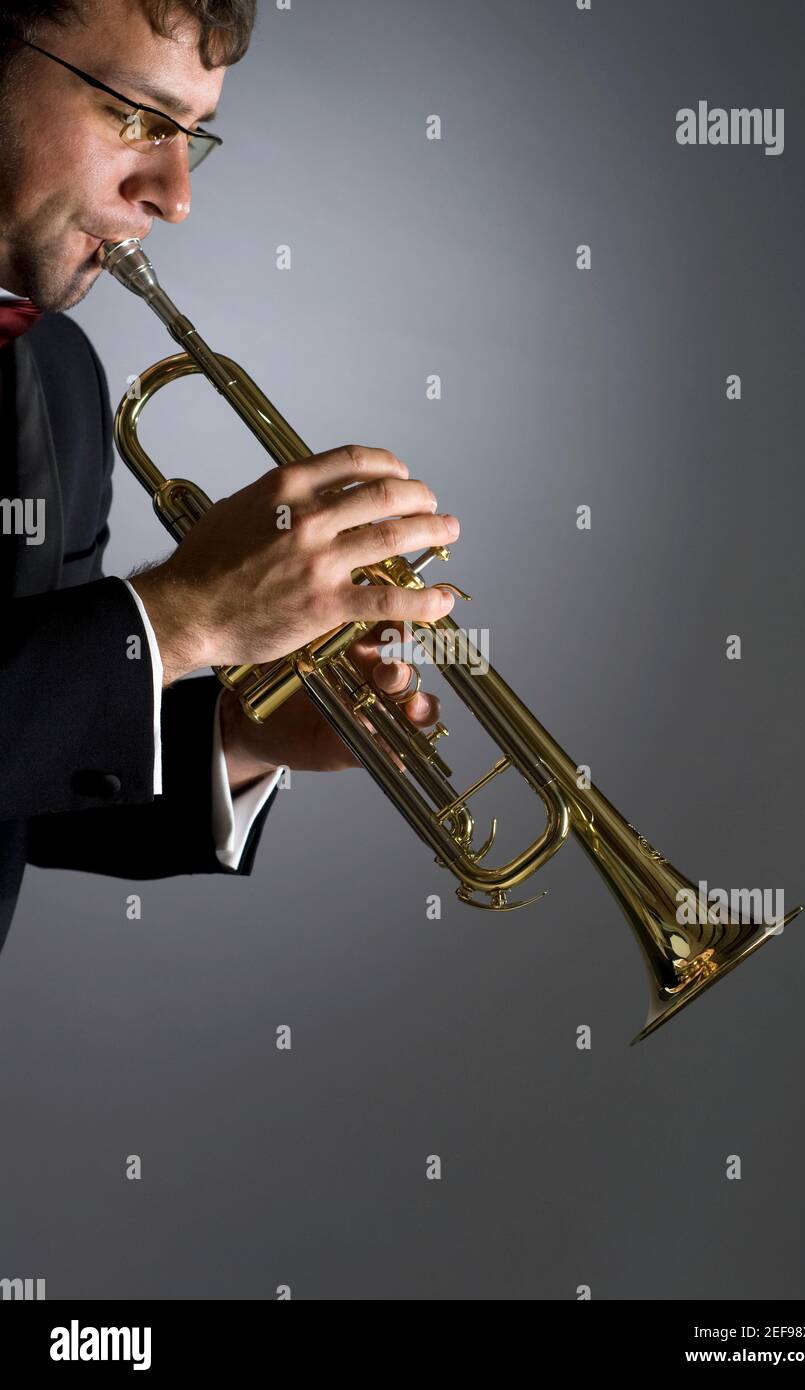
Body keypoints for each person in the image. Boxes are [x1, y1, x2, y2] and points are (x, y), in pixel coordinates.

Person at [0, 0, 460, 954]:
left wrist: (244, 738)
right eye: (138, 117)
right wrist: (184, 618)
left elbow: (25, 781)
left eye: (191, 139)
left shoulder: (61, 380)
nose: (176, 194)